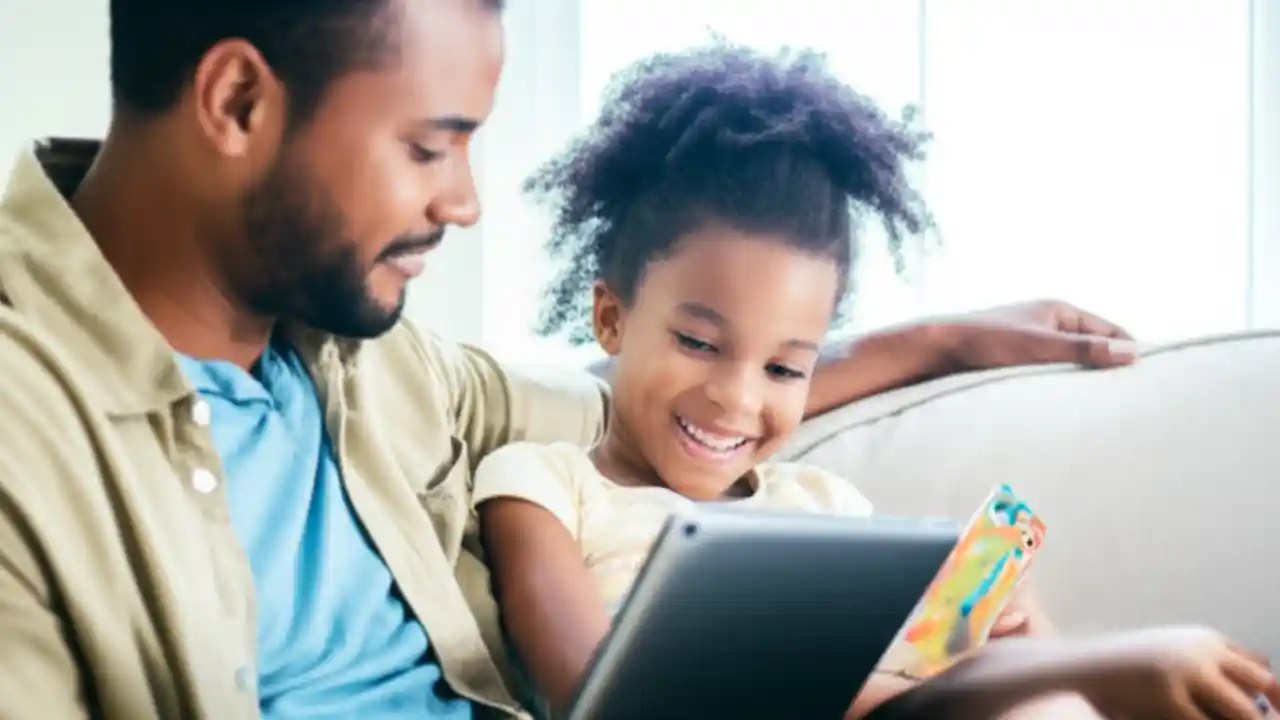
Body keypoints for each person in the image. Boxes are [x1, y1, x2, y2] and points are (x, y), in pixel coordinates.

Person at [0, 1, 1168, 718]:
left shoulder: (368, 364)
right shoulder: (27, 432)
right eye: (427, 146)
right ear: (238, 98)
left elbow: (629, 407)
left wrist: (934, 340)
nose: (461, 203)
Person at [472, 43, 1280, 720]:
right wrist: (1083, 666)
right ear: (611, 320)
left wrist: (1008, 642)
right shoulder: (543, 482)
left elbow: (922, 685)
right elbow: (599, 694)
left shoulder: (829, 510)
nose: (737, 399)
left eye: (786, 367)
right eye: (697, 341)